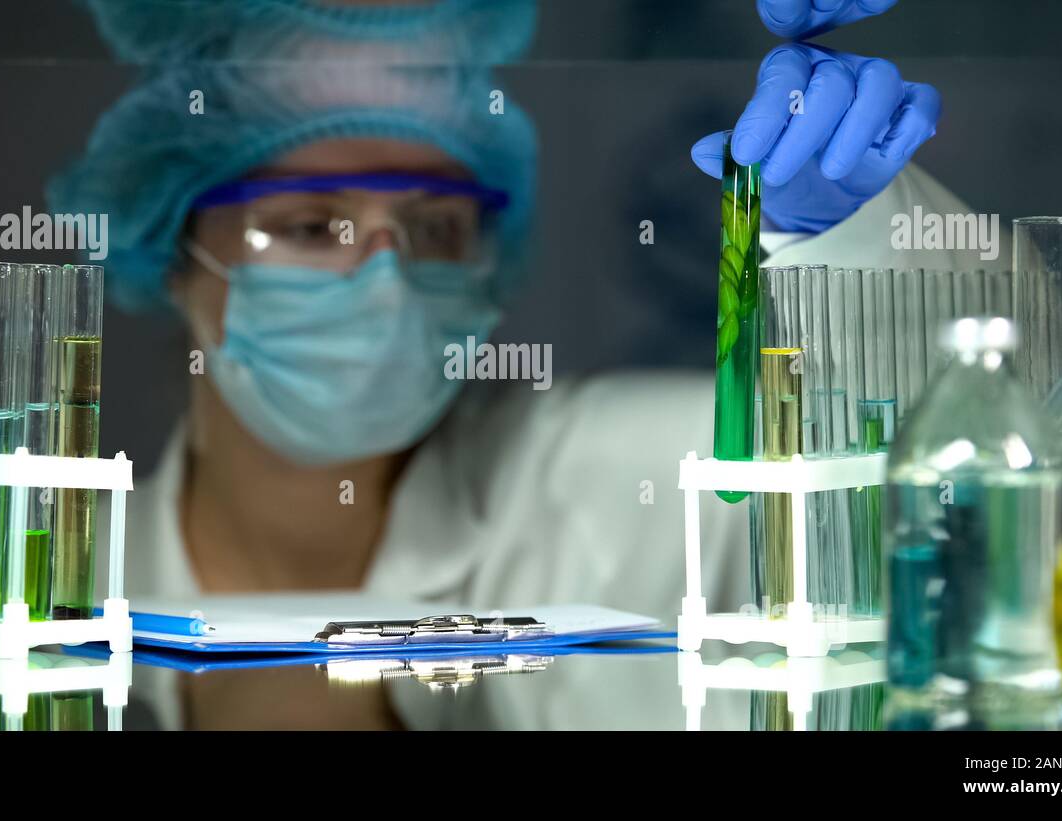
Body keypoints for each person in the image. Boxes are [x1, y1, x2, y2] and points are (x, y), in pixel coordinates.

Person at [49, 0, 990, 680]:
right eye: (310, 224)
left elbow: (967, 472)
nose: (383, 278)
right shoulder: (49, 577)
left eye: (432, 228)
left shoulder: (613, 478)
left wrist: (855, 235)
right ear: (170, 246)